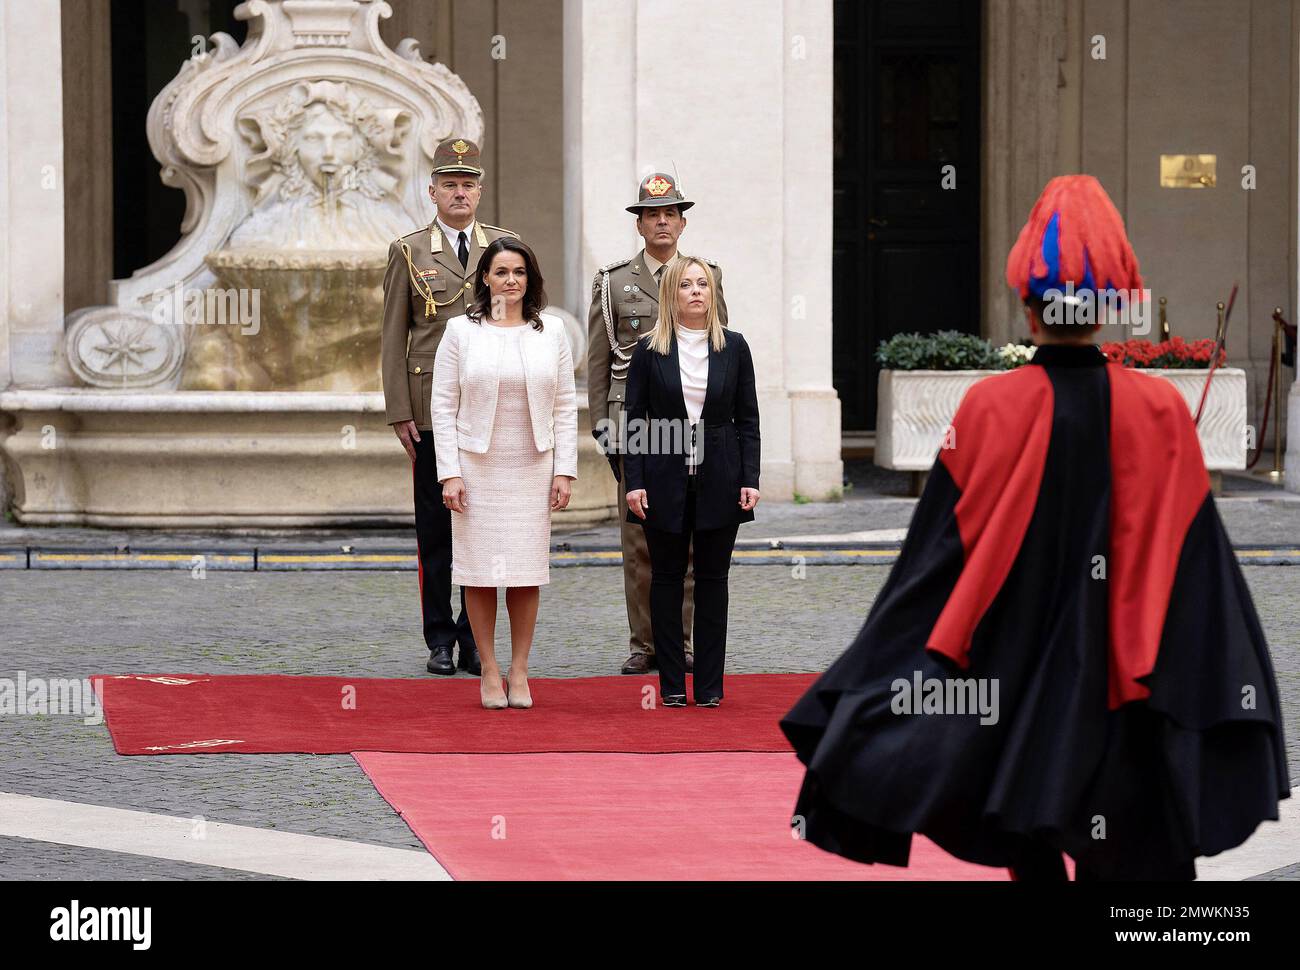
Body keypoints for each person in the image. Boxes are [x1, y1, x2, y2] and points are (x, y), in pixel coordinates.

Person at [781, 175, 1289, 880]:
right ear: (1111, 305)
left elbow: (934, 565)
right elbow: (1195, 564)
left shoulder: (990, 408)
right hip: (1127, 688)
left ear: (1027, 304)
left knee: (1030, 851)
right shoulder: (1160, 411)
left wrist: (873, 680)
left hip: (1010, 696)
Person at [381, 136, 520, 677]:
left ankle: (473, 638)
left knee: (482, 528)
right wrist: (399, 409)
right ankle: (439, 637)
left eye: (468, 184)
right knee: (437, 529)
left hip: (488, 409)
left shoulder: (504, 248)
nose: (460, 193)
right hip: (430, 409)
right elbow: (393, 334)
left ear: (480, 190)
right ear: (432, 191)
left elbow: (518, 327)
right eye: (450, 185)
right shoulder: (409, 251)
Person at [588, 172, 730, 675]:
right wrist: (605, 433)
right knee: (640, 543)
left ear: (682, 221)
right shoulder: (614, 282)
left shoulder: (704, 276)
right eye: (652, 214)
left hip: (693, 427)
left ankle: (685, 643)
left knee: (691, 538)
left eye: (670, 213)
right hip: (637, 425)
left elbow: (721, 354)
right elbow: (600, 365)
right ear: (640, 224)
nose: (662, 221)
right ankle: (645, 643)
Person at [431, 237, 578, 710]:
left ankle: (519, 669)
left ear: (530, 279)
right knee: (477, 572)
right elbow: (443, 405)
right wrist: (449, 473)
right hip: (477, 464)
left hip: (533, 464)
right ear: (485, 279)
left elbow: (565, 405)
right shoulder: (460, 331)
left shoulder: (551, 332)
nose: (510, 281)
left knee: (524, 571)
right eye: (501, 272)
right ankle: (489, 670)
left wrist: (565, 471)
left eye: (519, 272)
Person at [623, 255, 759, 708]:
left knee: (713, 579)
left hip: (722, 475)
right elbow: (634, 419)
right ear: (672, 294)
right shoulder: (649, 349)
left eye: (703, 284)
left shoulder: (734, 347)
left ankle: (710, 686)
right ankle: (673, 685)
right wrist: (634, 481)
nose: (696, 291)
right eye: (686, 285)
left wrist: (750, 478)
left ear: (713, 293)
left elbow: (748, 419)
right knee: (665, 577)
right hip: (663, 476)